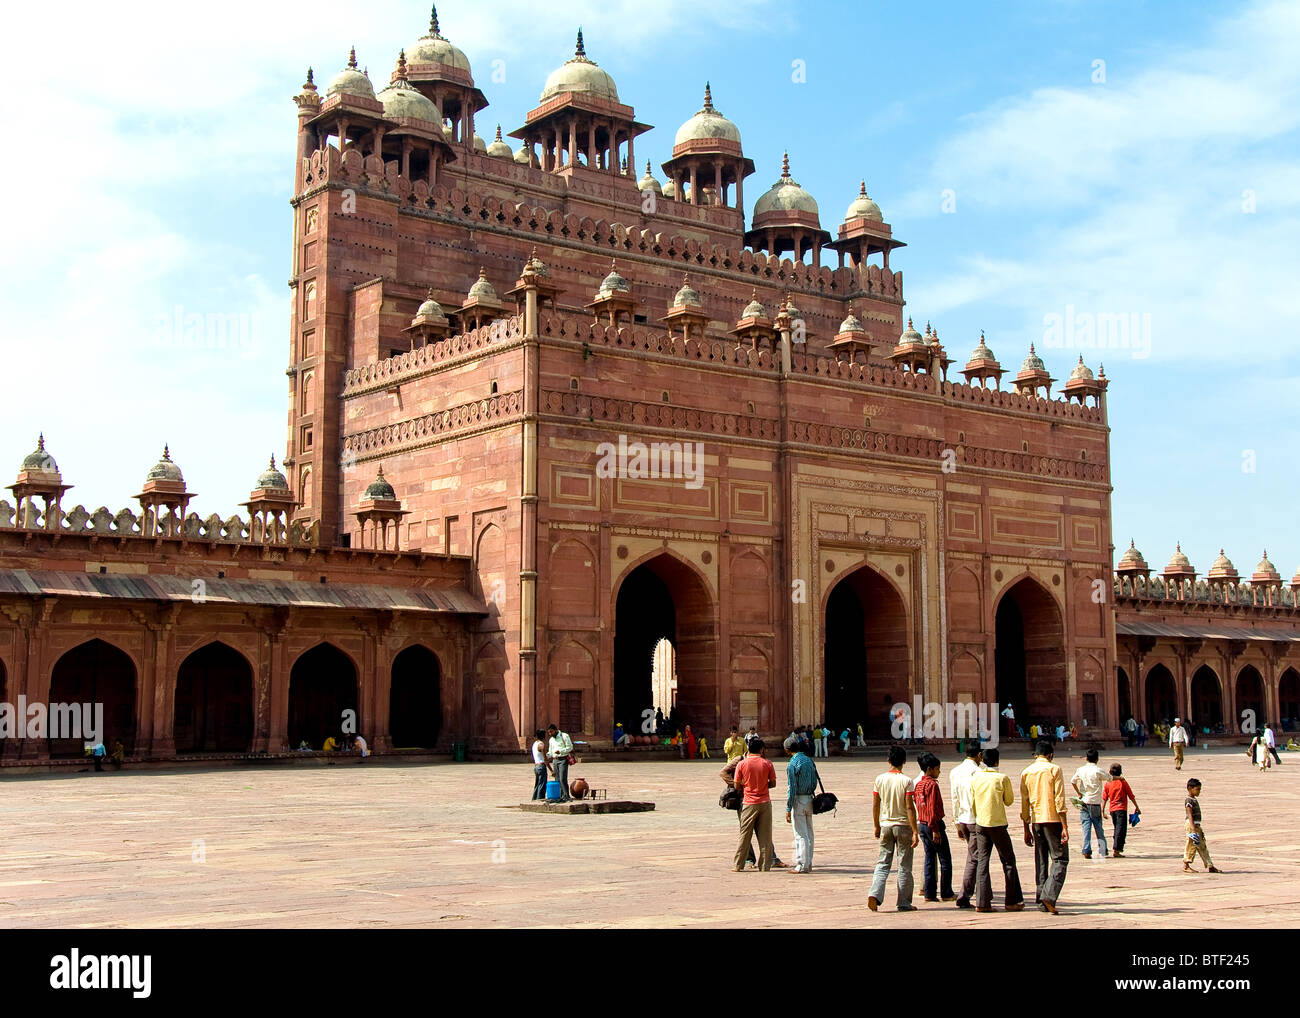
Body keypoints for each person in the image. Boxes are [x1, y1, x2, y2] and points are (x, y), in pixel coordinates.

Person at [969, 747, 1024, 913]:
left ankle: (982, 902)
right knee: (1008, 861)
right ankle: (1012, 901)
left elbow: (972, 802)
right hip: (998, 824)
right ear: (997, 761)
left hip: (981, 823)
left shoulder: (975, 778)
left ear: (982, 760)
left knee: (982, 862)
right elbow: (1009, 801)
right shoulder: (1002, 778)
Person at [868, 745, 920, 912]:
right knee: (904, 865)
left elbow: (876, 805)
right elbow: (910, 807)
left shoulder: (879, 779)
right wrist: (915, 831)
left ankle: (875, 894)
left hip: (886, 825)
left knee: (882, 863)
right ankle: (904, 902)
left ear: (888, 760)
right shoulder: (907, 781)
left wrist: (876, 825)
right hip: (903, 825)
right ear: (904, 761)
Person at [1021, 740, 1069, 914]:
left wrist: (1026, 828)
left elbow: (1024, 803)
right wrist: (1065, 826)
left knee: (1040, 860)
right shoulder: (1054, 769)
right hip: (1053, 819)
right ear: (1050, 755)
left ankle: (1041, 898)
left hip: (1036, 821)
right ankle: (1048, 897)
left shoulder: (1026, 772)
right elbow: (1059, 800)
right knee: (1060, 859)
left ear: (1036, 755)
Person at [913, 752, 955, 902]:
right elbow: (931, 808)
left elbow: (918, 804)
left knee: (929, 858)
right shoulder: (932, 785)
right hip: (933, 824)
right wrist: (936, 829)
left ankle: (930, 893)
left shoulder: (918, 784)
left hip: (922, 824)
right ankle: (946, 892)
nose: (939, 772)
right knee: (945, 860)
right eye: (937, 769)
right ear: (930, 769)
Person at [949, 742, 986, 909]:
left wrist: (956, 822)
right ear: (979, 755)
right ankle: (964, 896)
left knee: (977, 857)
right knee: (976, 858)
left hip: (963, 818)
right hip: (975, 819)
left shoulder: (955, 771)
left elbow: (954, 798)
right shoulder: (979, 772)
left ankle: (986, 893)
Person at [732, 739, 777, 872]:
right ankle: (765, 865)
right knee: (765, 836)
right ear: (761, 749)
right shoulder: (767, 763)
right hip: (765, 802)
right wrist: (763, 786)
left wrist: (746, 788)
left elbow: (736, 784)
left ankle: (738, 865)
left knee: (745, 834)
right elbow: (773, 783)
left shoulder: (742, 764)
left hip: (749, 802)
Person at [784, 734, 819, 873]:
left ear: (787, 750)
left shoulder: (793, 764)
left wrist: (788, 807)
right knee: (809, 832)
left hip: (799, 799)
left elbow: (792, 788)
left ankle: (801, 864)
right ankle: (808, 862)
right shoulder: (808, 760)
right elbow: (815, 781)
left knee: (800, 834)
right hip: (809, 798)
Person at [1071, 748, 1109, 859]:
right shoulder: (1098, 770)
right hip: (1095, 802)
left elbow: (1072, 781)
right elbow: (1109, 778)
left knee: (1086, 826)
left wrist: (1079, 793)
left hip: (1084, 801)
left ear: (1086, 758)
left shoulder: (1080, 769)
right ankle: (1102, 849)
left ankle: (1086, 849)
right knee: (1098, 827)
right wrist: (1119, 778)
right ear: (1097, 759)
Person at [1183, 778, 1221, 873]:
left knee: (1202, 846)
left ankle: (1210, 865)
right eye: (1197, 789)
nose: (1199, 791)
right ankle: (1186, 864)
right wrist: (1193, 829)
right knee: (1191, 845)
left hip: (1196, 826)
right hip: (1192, 826)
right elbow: (1190, 815)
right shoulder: (1189, 801)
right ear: (1190, 788)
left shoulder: (1194, 800)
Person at [1102, 763, 1139, 856]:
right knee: (1121, 829)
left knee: (1117, 828)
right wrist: (1137, 807)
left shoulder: (1108, 783)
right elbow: (1131, 795)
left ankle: (1116, 848)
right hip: (1121, 809)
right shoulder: (1123, 782)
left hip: (1112, 810)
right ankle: (1117, 850)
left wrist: (1102, 811)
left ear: (1110, 772)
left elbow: (1104, 798)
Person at [546, 724, 574, 802]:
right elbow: (551, 751)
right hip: (555, 760)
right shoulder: (551, 739)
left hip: (563, 759)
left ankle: (566, 796)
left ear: (556, 730)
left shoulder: (564, 736)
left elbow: (570, 747)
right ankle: (559, 795)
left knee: (562, 778)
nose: (550, 734)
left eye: (551, 732)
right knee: (557, 779)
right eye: (549, 732)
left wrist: (561, 751)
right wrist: (547, 755)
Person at [530, 729, 549, 800]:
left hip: (536, 766)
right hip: (541, 766)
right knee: (542, 785)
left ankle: (534, 799)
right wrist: (551, 770)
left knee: (537, 784)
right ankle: (540, 799)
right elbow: (545, 759)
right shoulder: (541, 745)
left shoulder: (535, 744)